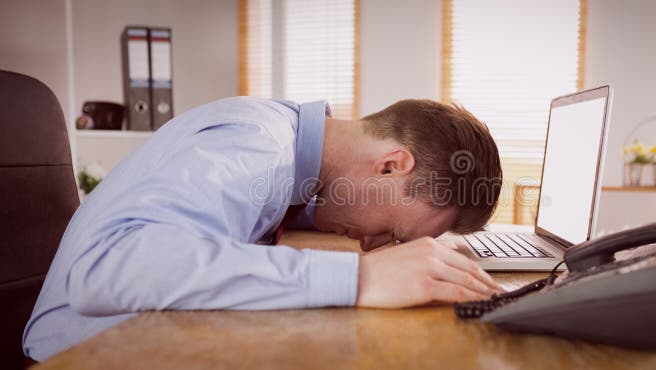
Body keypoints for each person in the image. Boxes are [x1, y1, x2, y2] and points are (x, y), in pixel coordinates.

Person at [23, 97, 503, 361]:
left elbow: (247, 205)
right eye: (396, 233)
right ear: (391, 166)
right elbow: (103, 269)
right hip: (82, 349)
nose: (373, 246)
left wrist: (314, 214)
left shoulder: (281, 142)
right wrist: (363, 278)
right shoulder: (257, 147)